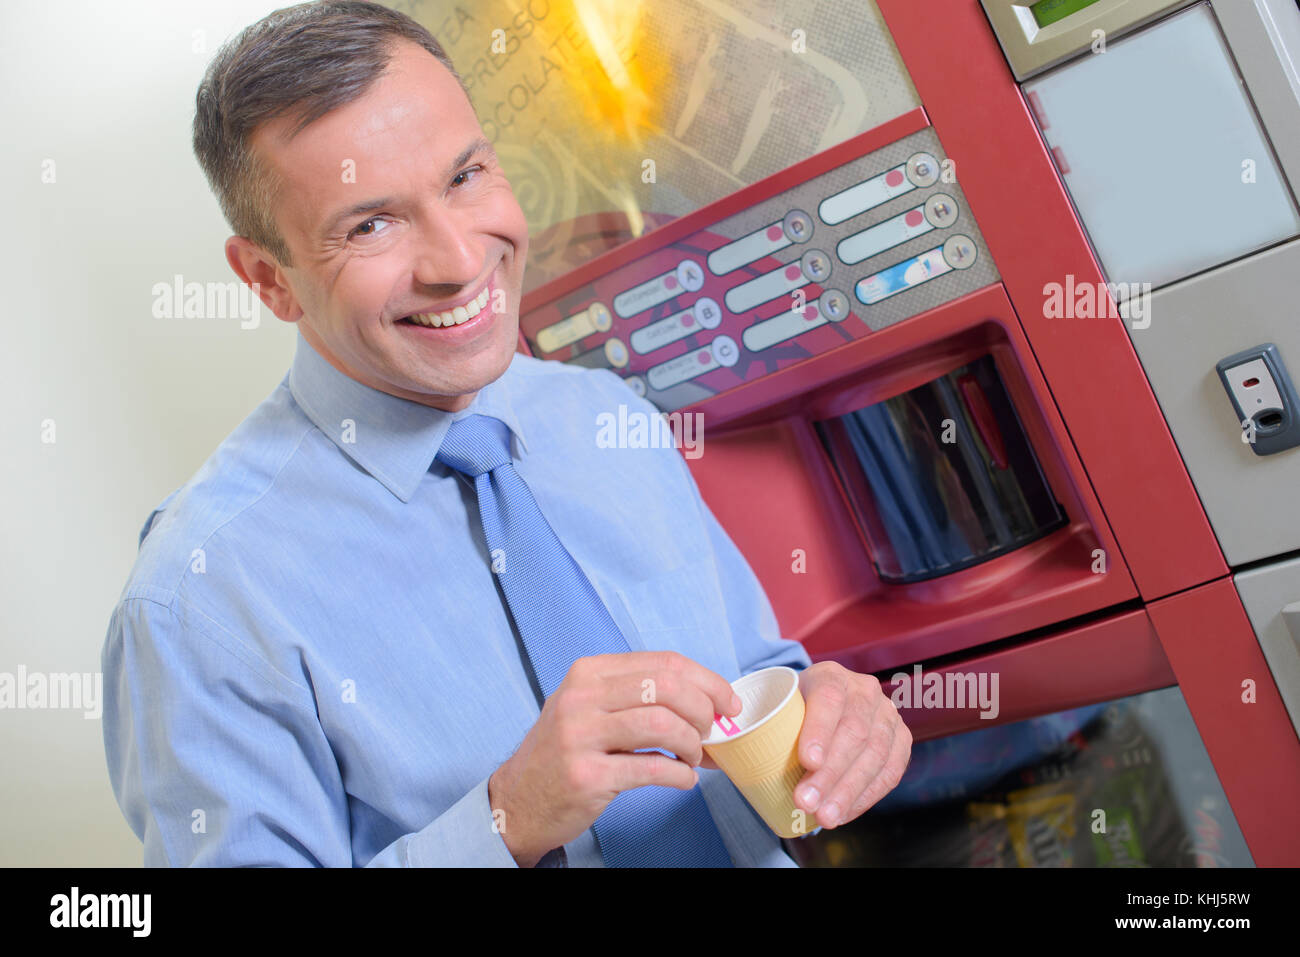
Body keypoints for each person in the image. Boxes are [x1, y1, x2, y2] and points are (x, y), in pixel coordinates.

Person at [101, 0, 911, 867]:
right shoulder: (199, 600)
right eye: (370, 224)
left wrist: (827, 715)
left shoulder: (603, 413)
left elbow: (752, 681)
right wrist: (504, 819)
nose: (458, 261)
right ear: (269, 279)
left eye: (465, 176)